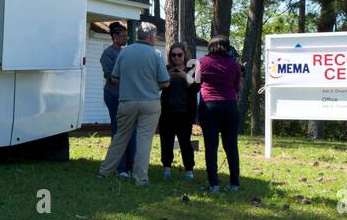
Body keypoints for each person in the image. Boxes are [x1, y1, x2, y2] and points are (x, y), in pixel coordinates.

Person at [98, 21, 170, 185]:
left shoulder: (124, 52)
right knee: (144, 139)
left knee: (120, 137)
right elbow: (165, 82)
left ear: (138, 36)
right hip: (150, 102)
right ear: (151, 37)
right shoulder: (156, 54)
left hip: (127, 101)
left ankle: (105, 172)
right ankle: (140, 178)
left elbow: (114, 78)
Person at [197, 36, 242, 192]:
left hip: (209, 106)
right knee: (231, 147)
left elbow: (196, 82)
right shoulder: (234, 64)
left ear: (211, 47)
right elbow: (237, 86)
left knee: (211, 146)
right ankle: (234, 183)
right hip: (229, 106)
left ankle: (214, 184)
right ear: (226, 47)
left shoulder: (202, 62)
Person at [97, 22, 136, 176]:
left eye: (127, 36)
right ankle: (120, 167)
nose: (126, 39)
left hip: (128, 96)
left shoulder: (126, 52)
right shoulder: (108, 54)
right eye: (123, 36)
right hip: (114, 95)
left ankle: (130, 164)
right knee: (119, 130)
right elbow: (112, 78)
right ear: (114, 37)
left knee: (131, 130)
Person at [159, 42, 198, 179]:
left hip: (185, 113)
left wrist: (183, 75)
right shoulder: (165, 69)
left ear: (184, 55)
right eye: (173, 55)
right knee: (166, 141)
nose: (176, 58)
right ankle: (166, 168)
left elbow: (196, 88)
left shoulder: (191, 69)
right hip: (167, 112)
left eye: (179, 55)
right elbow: (158, 86)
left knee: (185, 142)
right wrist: (167, 76)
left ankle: (189, 170)